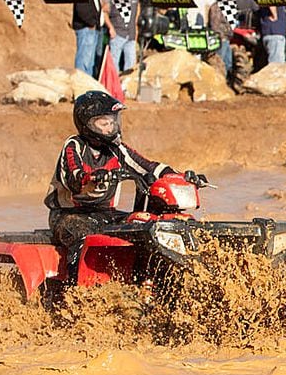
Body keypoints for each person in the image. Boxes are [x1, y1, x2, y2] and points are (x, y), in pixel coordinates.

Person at [45, 92, 203, 260]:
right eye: (104, 123)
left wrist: (183, 177)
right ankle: (76, 285)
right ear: (87, 124)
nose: (110, 128)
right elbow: (74, 177)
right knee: (83, 236)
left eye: (113, 122)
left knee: (143, 224)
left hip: (106, 214)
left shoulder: (117, 149)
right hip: (68, 215)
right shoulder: (74, 145)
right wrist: (93, 177)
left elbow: (149, 167)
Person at [71, 0, 108, 77]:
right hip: (86, 28)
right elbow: (81, 9)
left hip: (93, 28)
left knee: (90, 61)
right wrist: (91, 23)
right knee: (84, 59)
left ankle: (87, 86)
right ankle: (80, 84)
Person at [106, 0, 138, 73]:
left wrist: (136, 28)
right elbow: (104, 13)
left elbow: (137, 10)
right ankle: (114, 85)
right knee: (114, 63)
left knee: (131, 62)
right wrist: (110, 28)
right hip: (118, 34)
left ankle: (126, 85)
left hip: (131, 35)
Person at [258, 0, 286, 68]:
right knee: (276, 65)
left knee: (278, 63)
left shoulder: (280, 1)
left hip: (278, 35)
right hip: (274, 35)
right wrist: (274, 15)